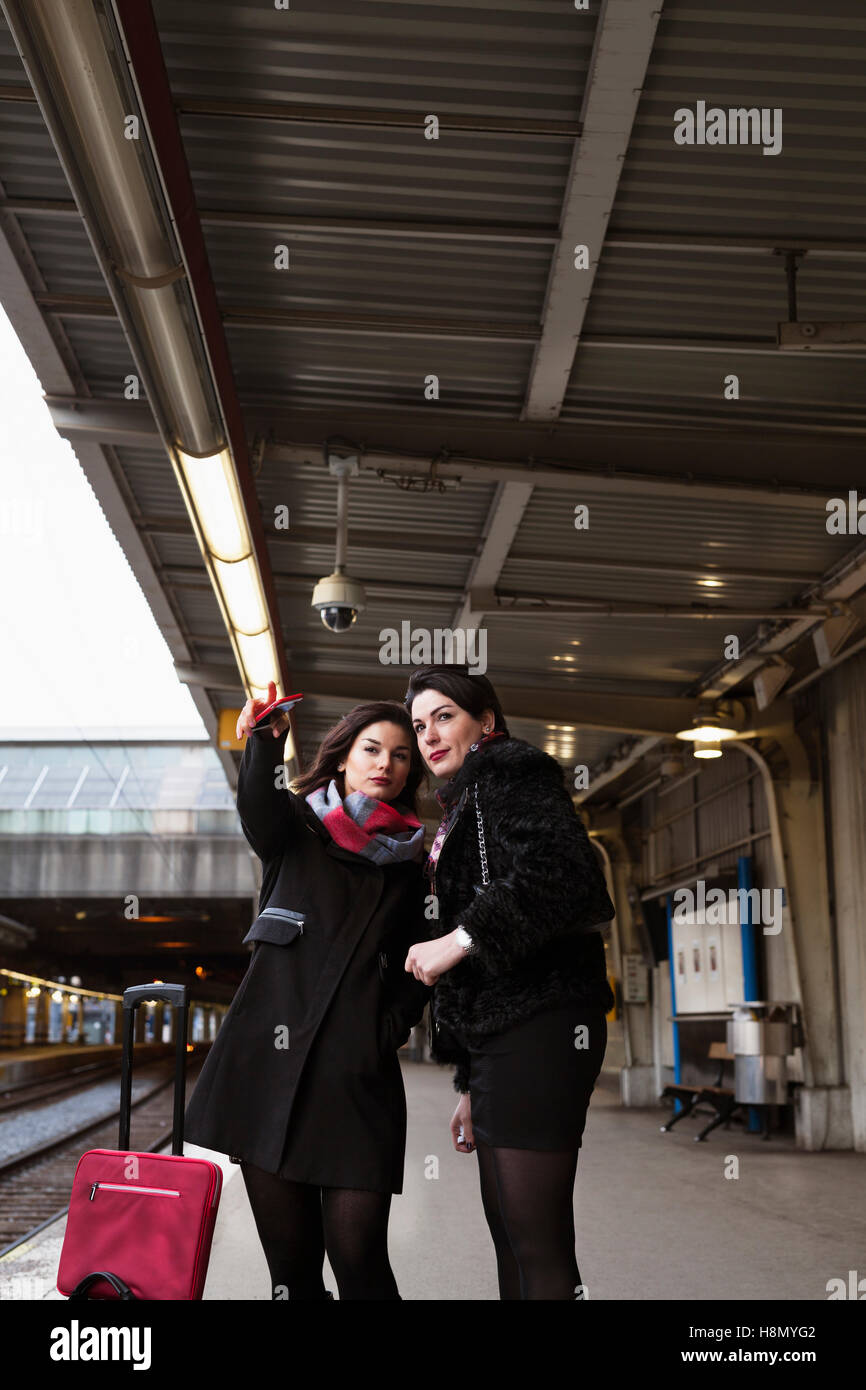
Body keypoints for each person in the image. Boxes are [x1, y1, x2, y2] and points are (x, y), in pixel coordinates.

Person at [183, 682, 430, 1300]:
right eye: (373, 749)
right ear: (344, 756)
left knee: (361, 1266)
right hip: (268, 1076)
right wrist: (267, 740)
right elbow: (258, 806)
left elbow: (420, 966)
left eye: (402, 755)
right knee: (292, 1276)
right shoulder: (295, 830)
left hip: (355, 1083)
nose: (386, 764)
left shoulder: (414, 866)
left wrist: (387, 1027)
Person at [403, 664, 615, 1301]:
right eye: (420, 725)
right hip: (506, 1037)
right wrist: (472, 1083)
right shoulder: (465, 798)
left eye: (445, 716)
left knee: (536, 1241)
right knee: (511, 1234)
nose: (430, 735)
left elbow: (564, 871)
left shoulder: (509, 769)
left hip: (544, 1023)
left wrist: (458, 939)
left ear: (485, 721)